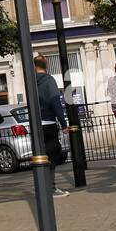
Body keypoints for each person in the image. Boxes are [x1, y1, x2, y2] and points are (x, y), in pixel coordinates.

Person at [34, 56, 70, 198]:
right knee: (52, 156)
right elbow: (56, 102)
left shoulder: (31, 82)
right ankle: (51, 189)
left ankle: (43, 188)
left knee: (40, 157)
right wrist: (63, 123)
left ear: (34, 66)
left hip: (36, 125)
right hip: (48, 123)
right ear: (46, 65)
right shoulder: (49, 81)